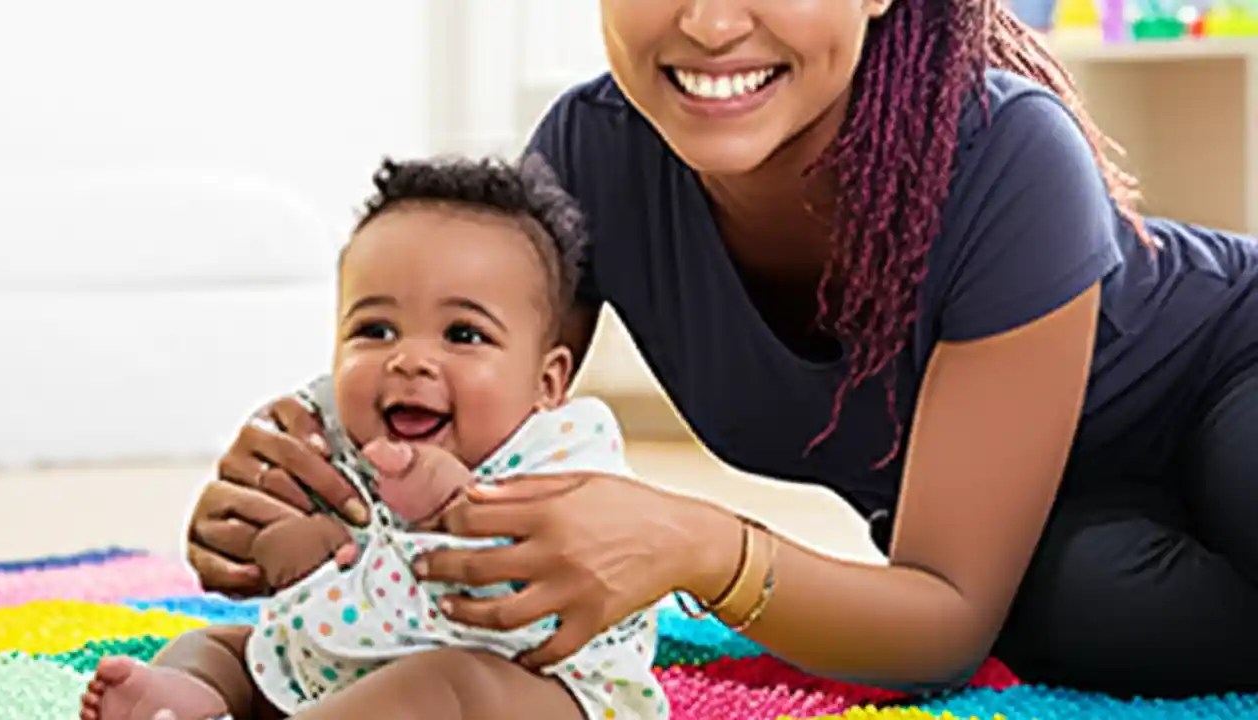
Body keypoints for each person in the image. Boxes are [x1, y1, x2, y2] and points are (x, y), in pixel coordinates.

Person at [191, 0, 1258, 701]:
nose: (708, 22)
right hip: (1072, 524)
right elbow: (470, 449)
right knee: (1094, 619)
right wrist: (307, 480)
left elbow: (934, 628)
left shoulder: (1003, 151)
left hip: (1229, 372)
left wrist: (703, 546)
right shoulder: (588, 159)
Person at [82, 156, 667, 720]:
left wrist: (451, 507)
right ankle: (178, 699)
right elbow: (279, 536)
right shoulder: (332, 429)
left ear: (546, 382)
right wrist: (281, 542)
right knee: (223, 647)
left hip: (533, 685)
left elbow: (537, 600)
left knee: (448, 683)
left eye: (463, 334)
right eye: (375, 329)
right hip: (343, 669)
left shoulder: (565, 457)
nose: (410, 359)